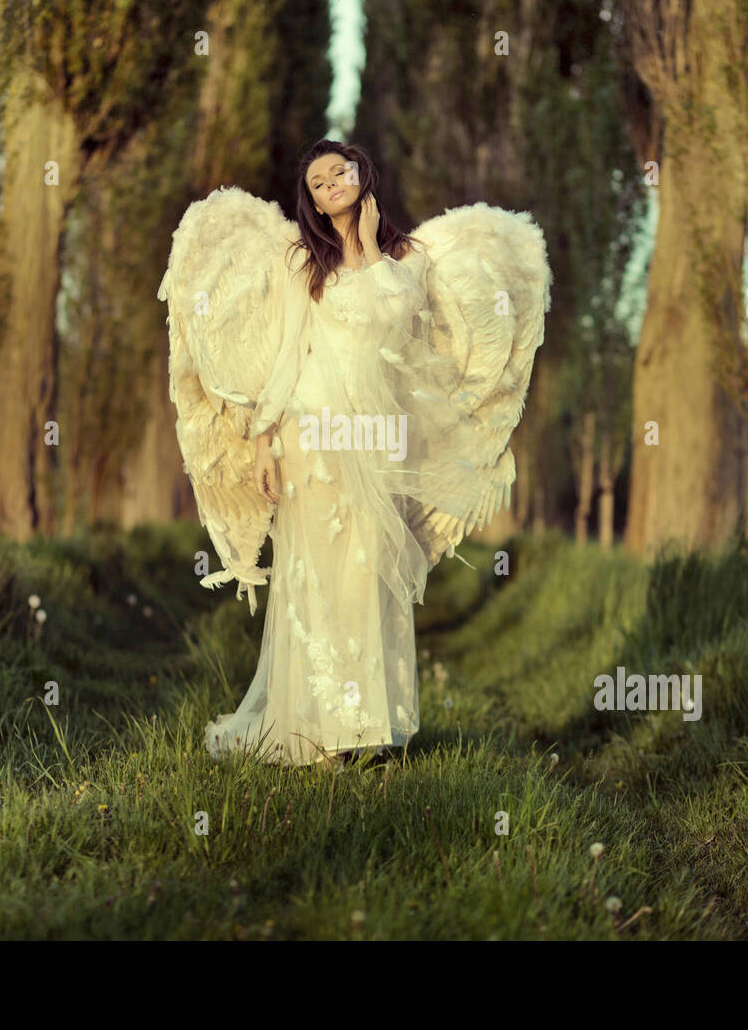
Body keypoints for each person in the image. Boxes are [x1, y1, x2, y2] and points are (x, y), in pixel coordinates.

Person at [160, 139, 550, 769]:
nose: (330, 185)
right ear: (309, 199)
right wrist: (263, 440)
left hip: (376, 441)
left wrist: (367, 247)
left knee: (369, 578)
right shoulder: (301, 263)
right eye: (317, 182)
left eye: (339, 172)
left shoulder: (404, 258)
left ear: (361, 174)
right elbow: (285, 353)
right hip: (310, 437)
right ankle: (323, 736)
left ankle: (372, 728)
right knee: (314, 582)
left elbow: (395, 324)